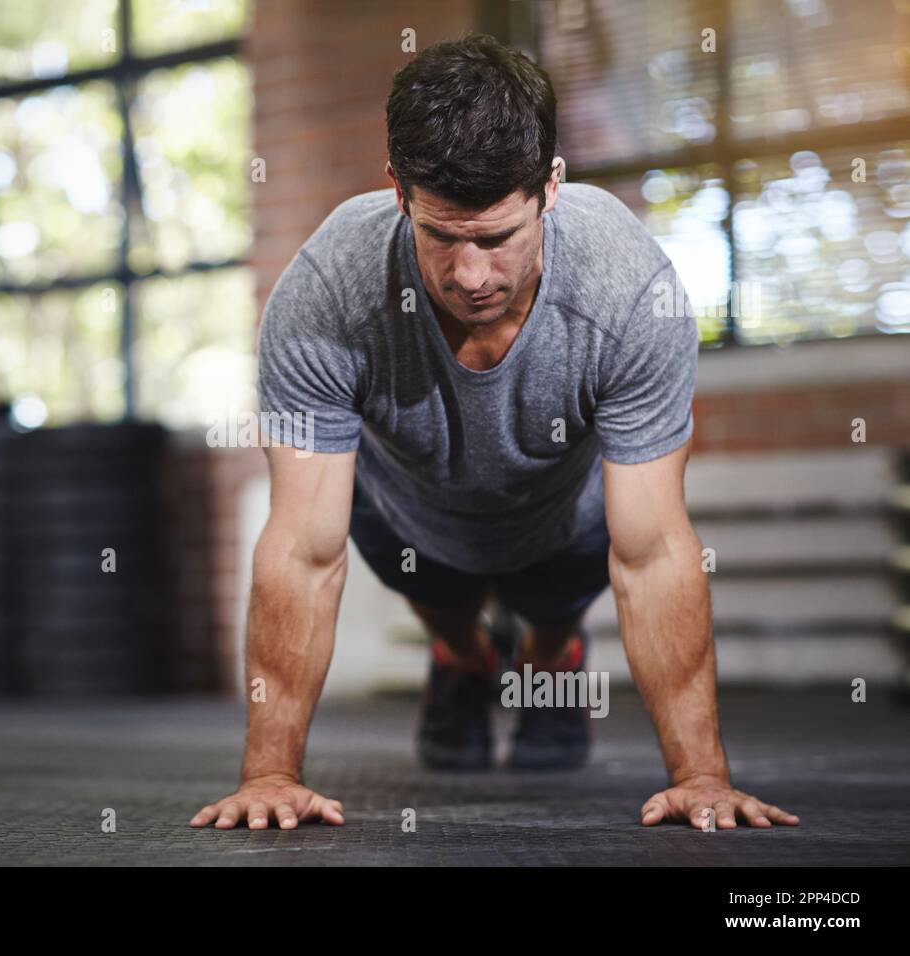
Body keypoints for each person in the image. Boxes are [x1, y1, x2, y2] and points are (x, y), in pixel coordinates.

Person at [190, 32, 800, 832]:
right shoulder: (327, 292)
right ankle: (466, 659)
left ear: (551, 187)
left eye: (496, 238)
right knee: (435, 593)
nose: (471, 276)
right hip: (407, 511)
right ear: (397, 190)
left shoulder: (629, 290)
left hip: (563, 519)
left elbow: (651, 552)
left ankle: (550, 658)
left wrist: (703, 777)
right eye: (442, 237)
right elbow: (305, 548)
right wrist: (269, 772)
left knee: (553, 613)